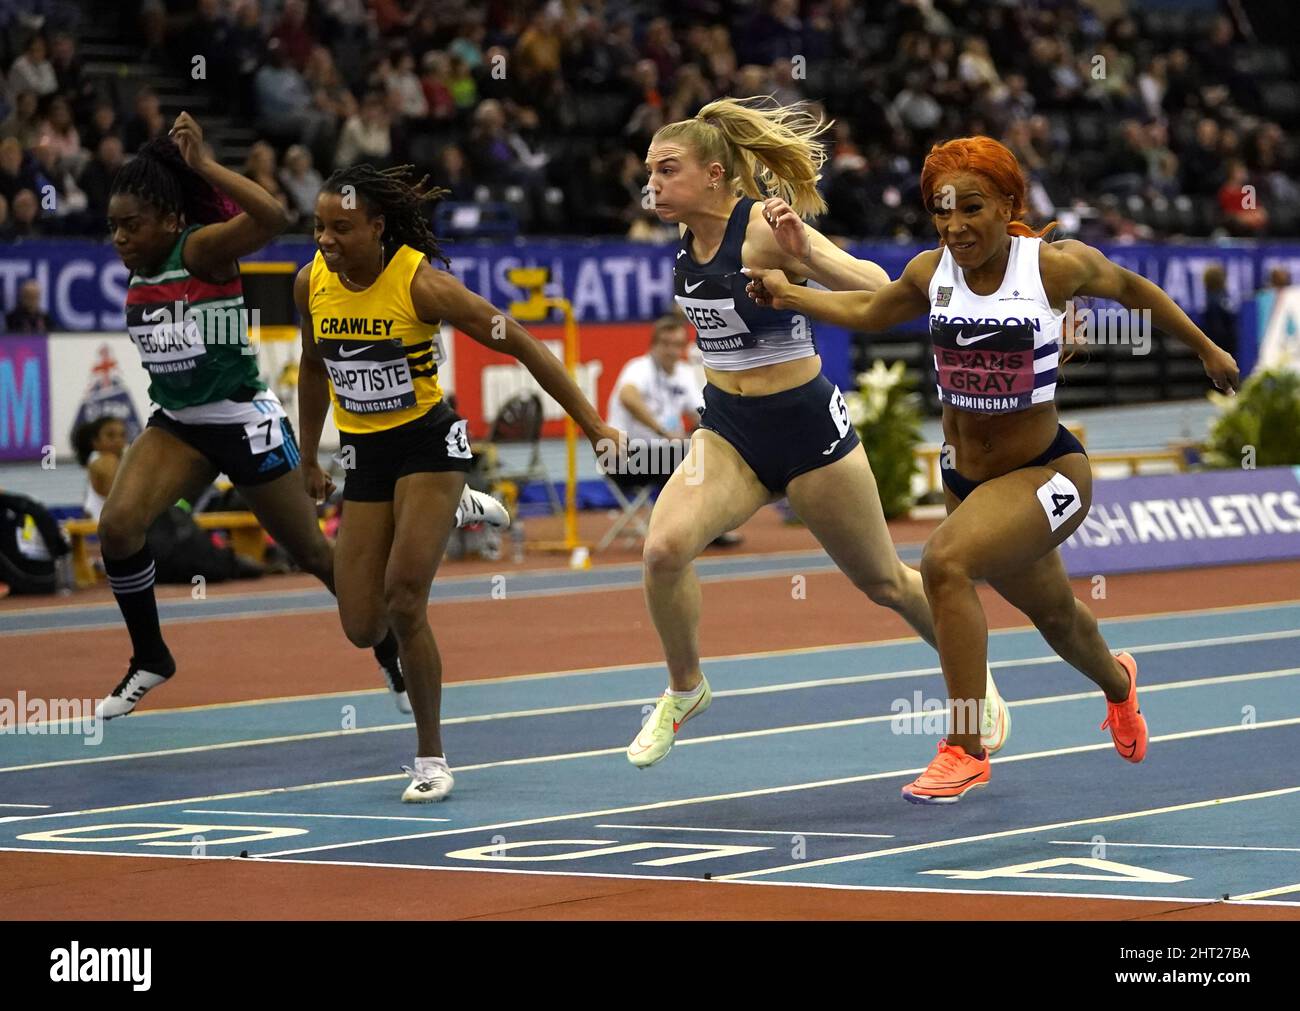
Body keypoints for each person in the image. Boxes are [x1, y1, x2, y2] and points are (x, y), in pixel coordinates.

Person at [745, 135, 1240, 803]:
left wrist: (1209, 350)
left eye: (970, 208)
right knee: (1058, 617)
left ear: (1008, 203)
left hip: (1048, 473)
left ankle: (966, 745)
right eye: (940, 211)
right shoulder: (931, 272)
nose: (954, 225)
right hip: (969, 482)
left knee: (944, 563)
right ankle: (1119, 682)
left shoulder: (1054, 270)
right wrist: (787, 294)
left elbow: (1136, 290)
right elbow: (869, 310)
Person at [626, 97, 1011, 770]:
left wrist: (808, 253)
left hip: (807, 430)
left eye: (667, 170)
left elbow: (880, 288)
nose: (652, 185)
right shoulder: (686, 245)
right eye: (649, 173)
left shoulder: (765, 230)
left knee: (886, 581)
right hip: (729, 433)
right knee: (661, 550)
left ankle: (974, 684)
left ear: (715, 174)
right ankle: (686, 689)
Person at [94, 112, 506, 722]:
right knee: (117, 526)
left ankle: (390, 647)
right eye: (113, 228)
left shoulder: (201, 250)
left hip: (241, 420)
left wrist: (205, 165)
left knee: (316, 555)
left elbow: (272, 218)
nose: (121, 239)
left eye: (133, 225)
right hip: (178, 423)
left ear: (172, 220)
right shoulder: (139, 267)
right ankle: (151, 655)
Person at [296, 163, 620, 802]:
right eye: (317, 227)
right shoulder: (310, 281)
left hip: (428, 444)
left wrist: (592, 425)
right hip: (363, 454)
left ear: (378, 227)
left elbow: (521, 340)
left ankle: (430, 757)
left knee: (405, 599)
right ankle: (453, 509)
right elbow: (311, 367)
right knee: (361, 624)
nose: (326, 240)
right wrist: (309, 457)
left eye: (341, 228)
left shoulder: (420, 284)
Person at [605, 315, 740, 545]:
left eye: (677, 345)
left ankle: (704, 527)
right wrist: (663, 432)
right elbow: (628, 397)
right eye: (665, 344)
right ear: (654, 345)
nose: (671, 351)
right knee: (687, 457)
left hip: (665, 455)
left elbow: (700, 413)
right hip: (623, 458)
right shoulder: (638, 368)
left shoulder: (684, 373)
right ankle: (694, 532)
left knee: (713, 452)